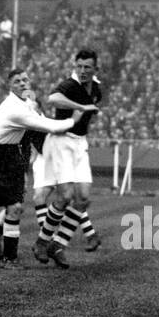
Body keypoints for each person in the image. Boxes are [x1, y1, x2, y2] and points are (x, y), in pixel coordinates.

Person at [0, 68, 88, 266]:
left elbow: (35, 109)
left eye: (25, 80)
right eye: (17, 81)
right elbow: (49, 126)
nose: (22, 83)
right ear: (9, 86)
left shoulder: (26, 103)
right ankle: (9, 258)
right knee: (15, 207)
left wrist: (35, 103)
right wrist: (74, 120)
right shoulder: (14, 109)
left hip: (13, 153)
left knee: (16, 205)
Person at [34, 48, 103, 269]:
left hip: (79, 144)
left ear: (95, 69)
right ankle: (41, 242)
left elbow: (89, 114)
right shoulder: (69, 85)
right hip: (61, 141)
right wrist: (79, 107)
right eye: (79, 66)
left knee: (82, 198)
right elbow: (53, 99)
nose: (82, 71)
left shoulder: (97, 89)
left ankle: (57, 244)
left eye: (87, 67)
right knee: (65, 195)